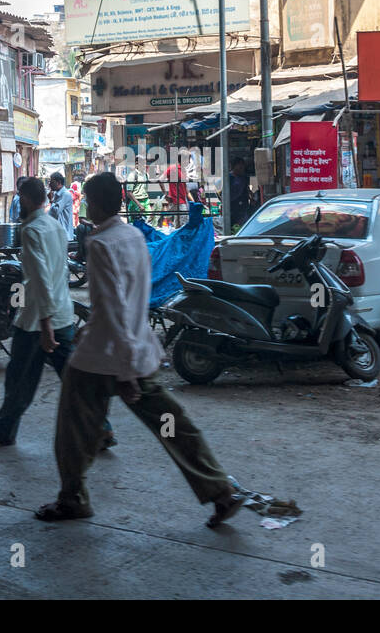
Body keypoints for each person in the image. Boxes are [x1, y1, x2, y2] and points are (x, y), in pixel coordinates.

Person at [34, 172, 242, 528]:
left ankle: (73, 498)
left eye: (86, 199)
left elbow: (113, 306)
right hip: (135, 347)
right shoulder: (132, 237)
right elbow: (132, 301)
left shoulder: (99, 245)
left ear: (96, 204)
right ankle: (220, 490)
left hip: (104, 357)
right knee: (173, 425)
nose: (84, 204)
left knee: (72, 430)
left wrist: (125, 371)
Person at [0, 177, 114, 448]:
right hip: (62, 313)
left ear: (27, 199)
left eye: (20, 197)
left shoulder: (31, 231)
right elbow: (58, 272)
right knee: (73, 378)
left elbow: (39, 277)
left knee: (19, 378)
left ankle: (4, 429)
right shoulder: (54, 226)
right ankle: (101, 427)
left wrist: (45, 323)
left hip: (37, 321)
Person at [47, 172, 74, 241]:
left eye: (52, 182)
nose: (49, 185)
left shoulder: (65, 194)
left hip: (64, 232)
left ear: (58, 182)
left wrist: (51, 200)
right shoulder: (56, 194)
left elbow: (56, 211)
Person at [228, 157, 252, 228]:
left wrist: (250, 197)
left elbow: (246, 190)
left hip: (243, 208)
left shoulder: (243, 178)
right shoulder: (229, 178)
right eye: (240, 166)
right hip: (233, 208)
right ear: (234, 166)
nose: (242, 169)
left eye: (243, 167)